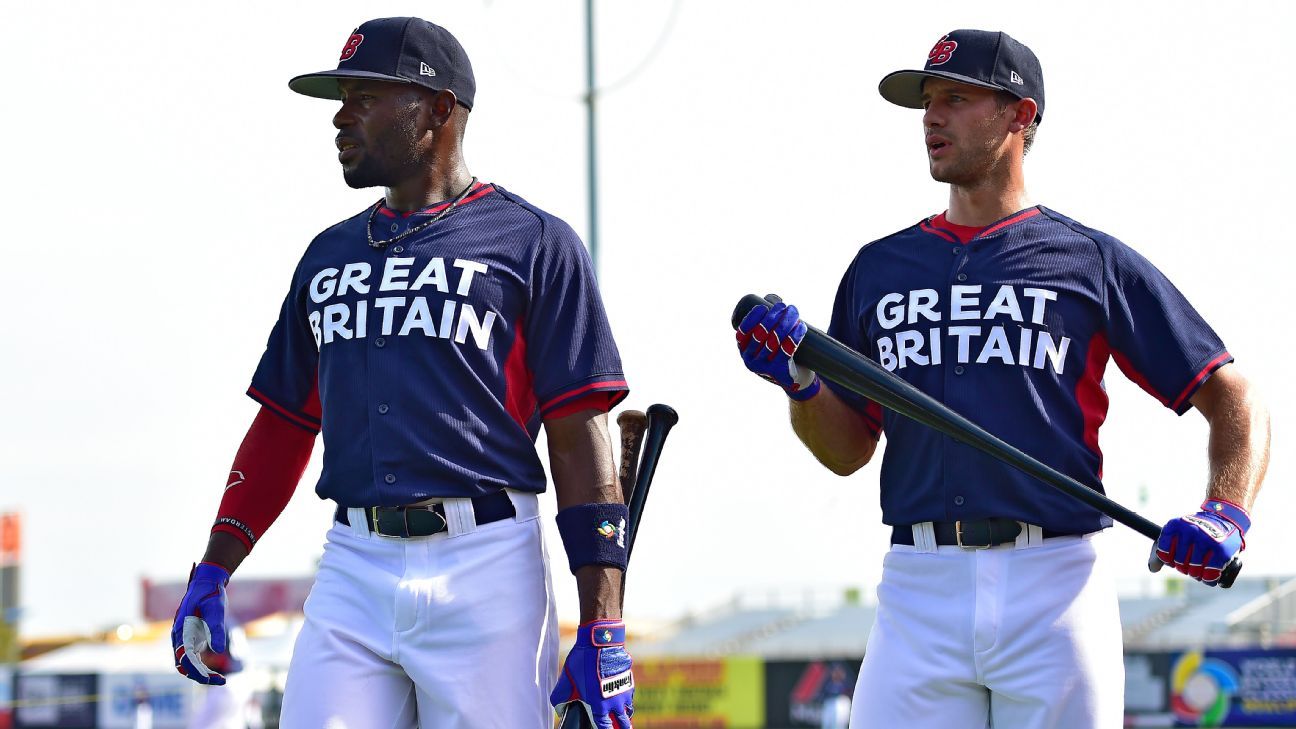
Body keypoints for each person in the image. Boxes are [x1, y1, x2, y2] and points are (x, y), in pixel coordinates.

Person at [733, 29, 1270, 729]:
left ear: (1020, 116)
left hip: (1053, 583)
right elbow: (848, 452)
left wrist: (1225, 512)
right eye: (927, 101)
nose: (932, 117)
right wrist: (800, 381)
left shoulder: (1089, 261)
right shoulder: (877, 268)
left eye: (956, 99)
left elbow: (1232, 396)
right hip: (918, 585)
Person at [169, 17, 635, 729]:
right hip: (354, 562)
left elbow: (579, 437)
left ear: (438, 109)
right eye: (342, 96)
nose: (340, 115)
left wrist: (602, 623)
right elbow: (285, 422)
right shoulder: (328, 255)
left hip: (487, 562)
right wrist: (215, 564)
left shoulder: (536, 243)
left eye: (364, 95)